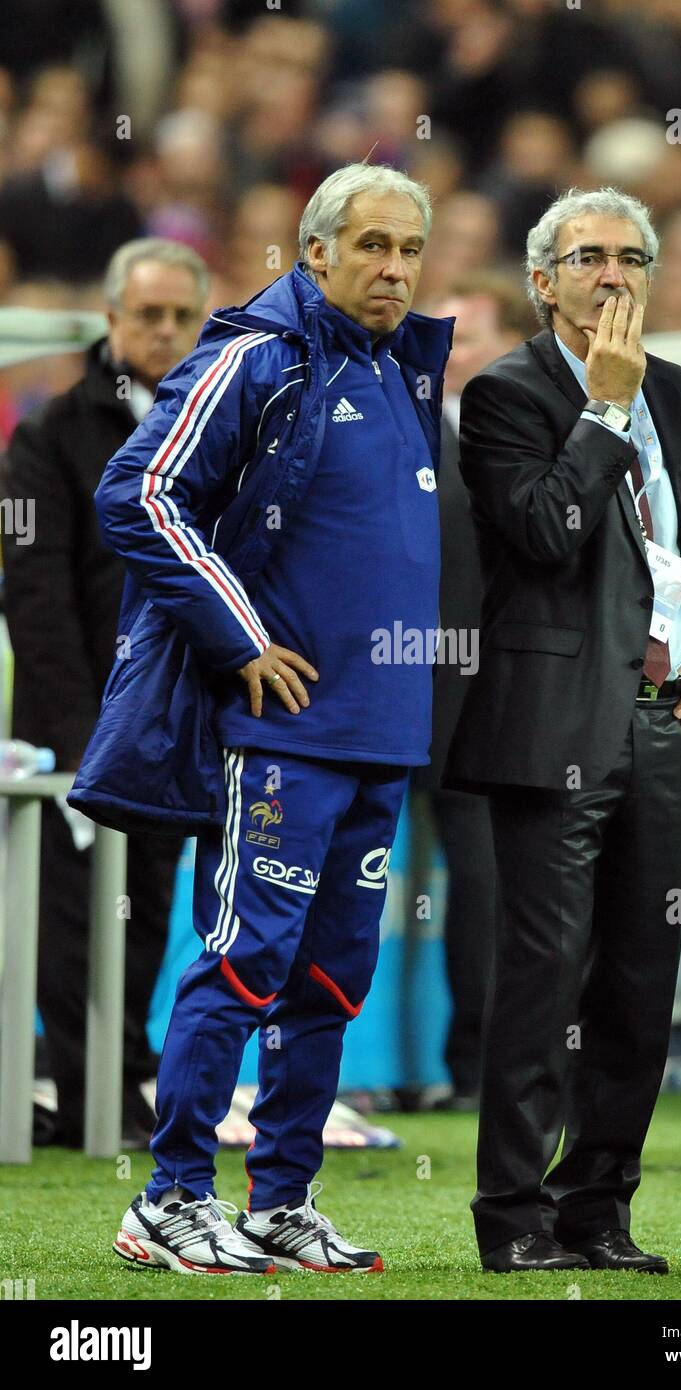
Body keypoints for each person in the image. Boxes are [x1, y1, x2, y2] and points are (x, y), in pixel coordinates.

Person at [82, 163, 452, 1275]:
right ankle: (170, 1196)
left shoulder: (403, 370)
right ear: (315, 250)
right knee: (243, 961)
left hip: (379, 733)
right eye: (372, 245)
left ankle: (280, 1199)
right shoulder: (256, 354)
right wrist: (241, 636)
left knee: (331, 982)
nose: (393, 269)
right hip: (282, 735)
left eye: (410, 250)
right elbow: (135, 494)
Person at [445, 186, 681, 1273]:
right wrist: (600, 411)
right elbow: (542, 533)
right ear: (541, 280)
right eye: (588, 256)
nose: (613, 275)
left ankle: (597, 1212)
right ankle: (514, 1221)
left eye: (631, 256)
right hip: (555, 725)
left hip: (670, 720)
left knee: (638, 983)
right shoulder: (503, 393)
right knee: (541, 981)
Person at [3, 237, 209, 1147]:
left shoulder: (216, 417)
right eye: (149, 315)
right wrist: (84, 732)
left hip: (175, 722)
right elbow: (34, 592)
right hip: (79, 729)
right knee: (74, 918)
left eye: (181, 316)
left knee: (150, 911)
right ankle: (90, 1095)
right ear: (114, 318)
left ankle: (123, 1086)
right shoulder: (51, 432)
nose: (165, 331)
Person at [411, 273, 537, 1109]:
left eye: (476, 340)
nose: (457, 359)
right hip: (365, 700)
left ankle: (476, 1068)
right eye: (447, 342)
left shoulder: (523, 452)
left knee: (486, 893)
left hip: (479, 710)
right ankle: (329, 1073)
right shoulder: (391, 433)